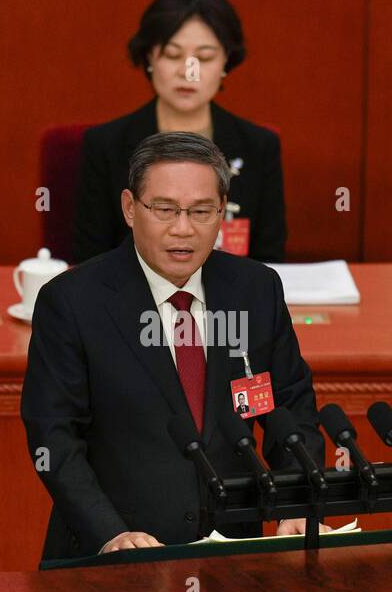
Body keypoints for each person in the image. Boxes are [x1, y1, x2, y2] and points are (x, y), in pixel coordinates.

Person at [23, 132, 324, 560]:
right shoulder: (72, 301)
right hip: (110, 559)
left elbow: (289, 406)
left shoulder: (255, 290)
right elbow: (53, 438)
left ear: (223, 212)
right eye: (164, 210)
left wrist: (296, 500)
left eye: (202, 212)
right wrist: (110, 533)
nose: (183, 229)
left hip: (235, 559)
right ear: (130, 208)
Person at [72, 0, 286, 265]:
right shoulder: (105, 145)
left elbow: (268, 259)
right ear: (149, 58)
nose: (189, 72)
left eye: (205, 57)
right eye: (173, 55)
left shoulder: (259, 146)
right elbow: (91, 260)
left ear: (226, 62)